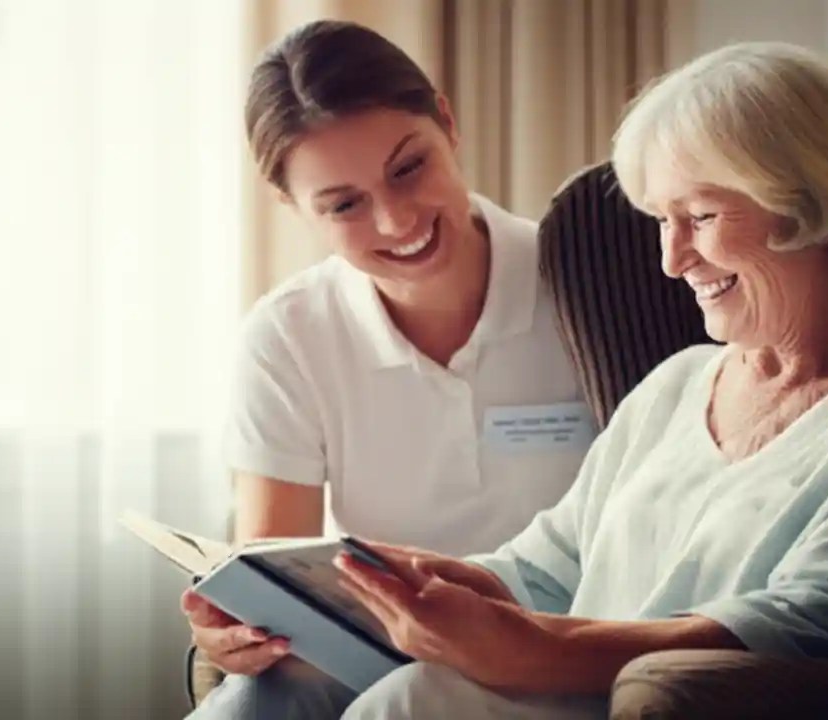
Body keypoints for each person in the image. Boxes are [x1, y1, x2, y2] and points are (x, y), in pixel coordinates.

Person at [201, 41, 828, 719]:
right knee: (273, 696)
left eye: (702, 218)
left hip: (640, 701)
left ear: (808, 200)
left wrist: (541, 648)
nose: (671, 260)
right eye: (661, 221)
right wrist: (418, 580)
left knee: (412, 702)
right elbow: (546, 566)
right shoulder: (681, 383)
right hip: (551, 683)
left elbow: (821, 626)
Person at [181, 18, 592, 702]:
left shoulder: (588, 290)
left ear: (448, 124)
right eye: (345, 204)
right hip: (382, 656)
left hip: (558, 648)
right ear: (292, 207)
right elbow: (270, 569)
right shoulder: (288, 335)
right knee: (259, 699)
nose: (398, 222)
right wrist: (238, 632)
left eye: (409, 168)